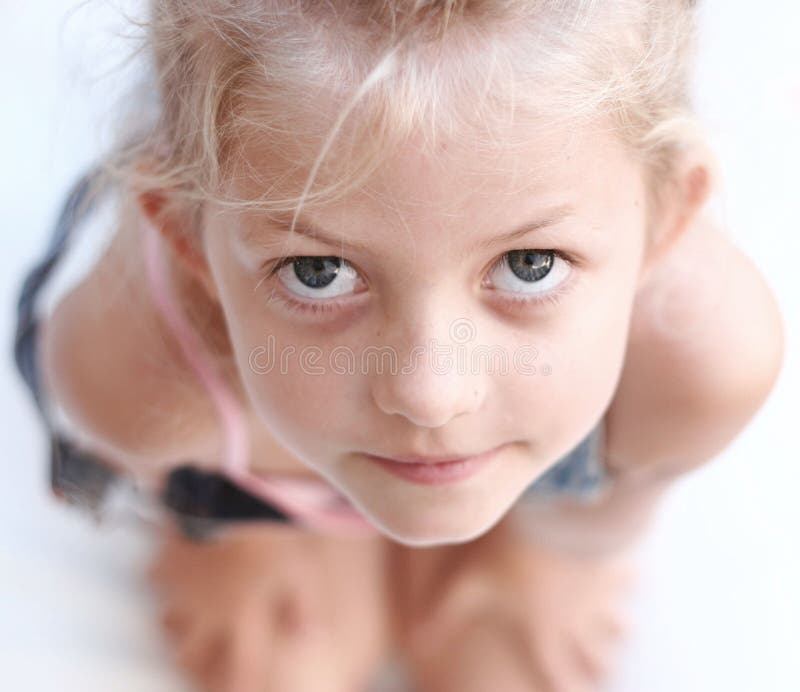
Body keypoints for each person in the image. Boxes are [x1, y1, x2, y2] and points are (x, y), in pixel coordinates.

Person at [17, 1, 785, 690]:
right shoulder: (136, 377)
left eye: (530, 265)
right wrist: (226, 533)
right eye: (318, 272)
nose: (428, 393)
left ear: (668, 220)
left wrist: (562, 552)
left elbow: (639, 480)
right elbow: (152, 459)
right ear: (187, 238)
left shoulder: (703, 361)